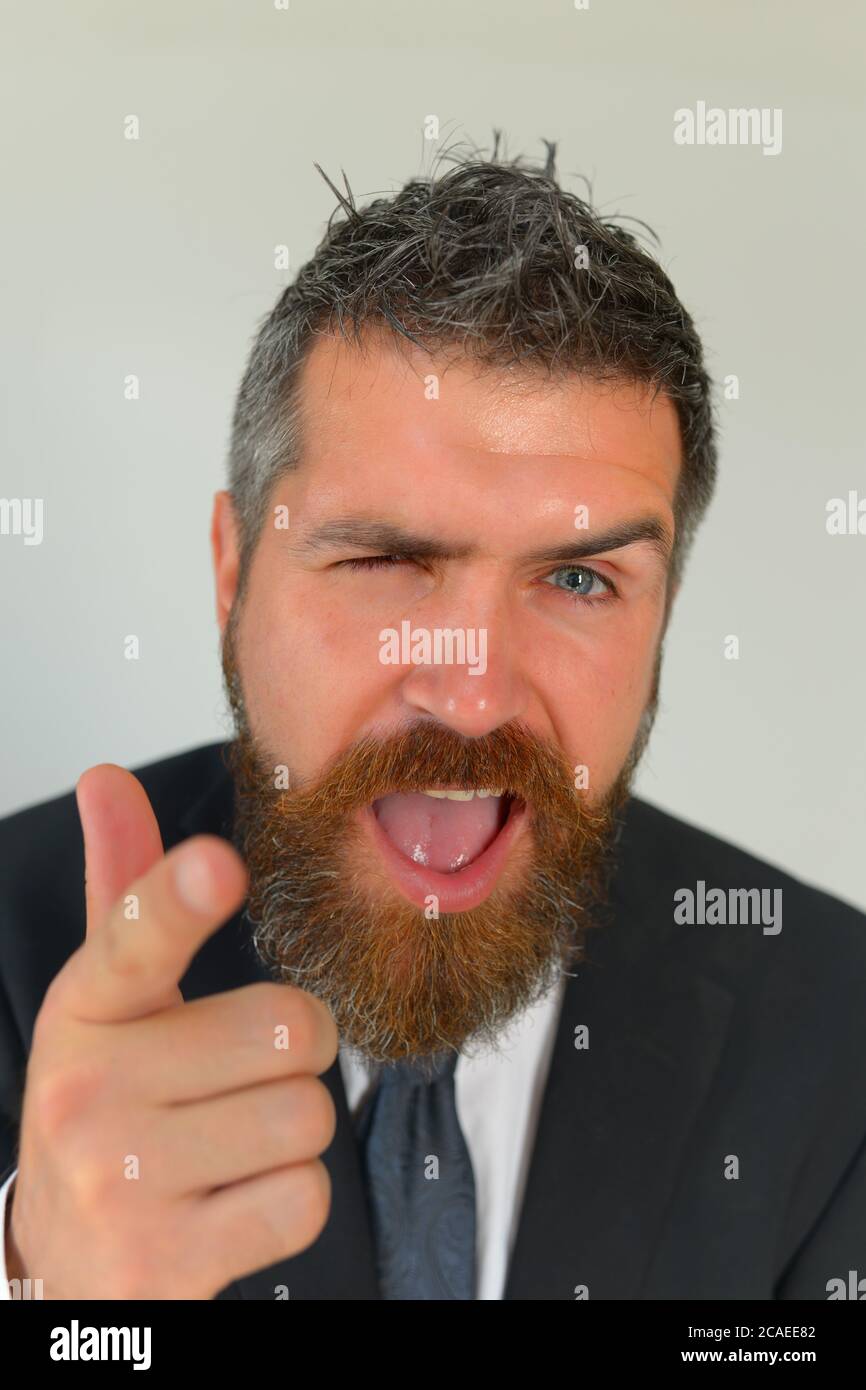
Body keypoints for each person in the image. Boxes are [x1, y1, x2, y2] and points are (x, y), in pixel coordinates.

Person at [2, 138, 864, 1301]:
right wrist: (41, 1281)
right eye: (382, 559)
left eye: (576, 582)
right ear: (231, 570)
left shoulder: (833, 1030)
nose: (467, 693)